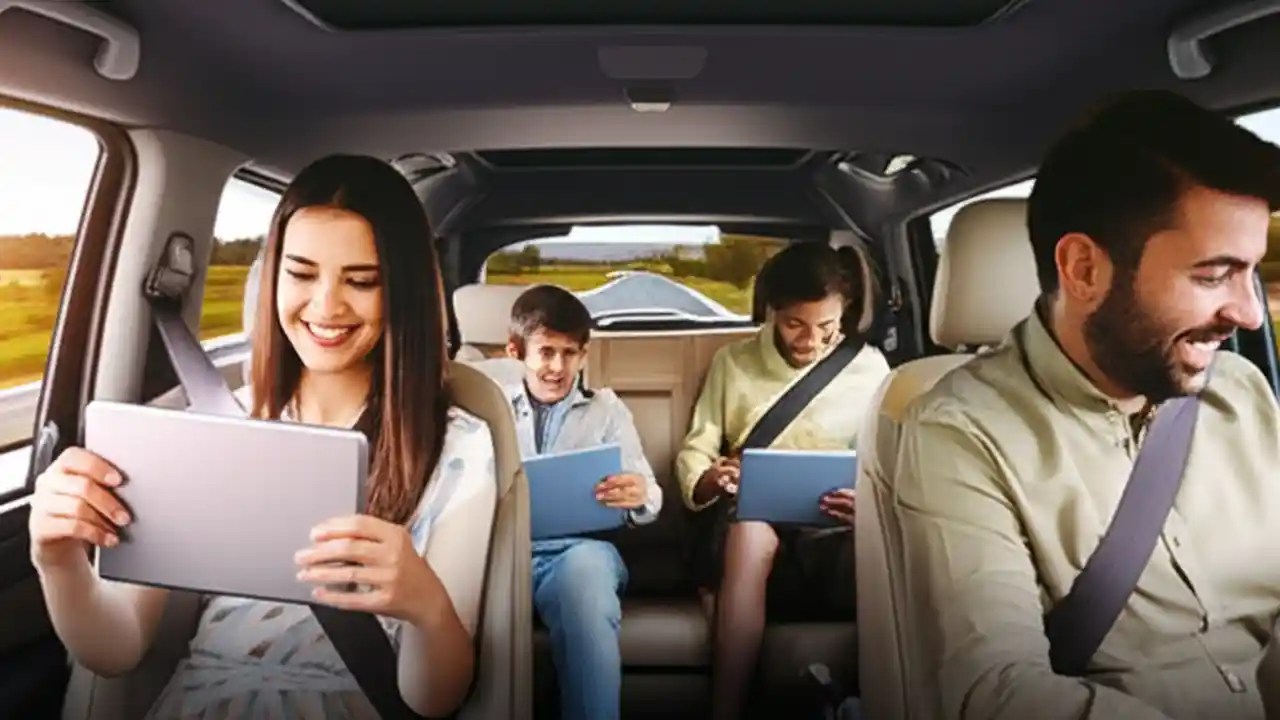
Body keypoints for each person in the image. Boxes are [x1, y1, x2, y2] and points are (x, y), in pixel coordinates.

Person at [28, 155, 498, 719]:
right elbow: (116, 647)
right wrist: (55, 560)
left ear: (404, 290)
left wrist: (424, 603)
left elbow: (433, 701)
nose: (326, 306)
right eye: (300, 273)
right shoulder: (209, 428)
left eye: (362, 280)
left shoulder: (459, 450)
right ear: (271, 276)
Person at [893, 90, 1280, 719]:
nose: (1244, 311)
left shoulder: (1242, 391)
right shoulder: (960, 431)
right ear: (1083, 268)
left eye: (1251, 273)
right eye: (1213, 275)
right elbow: (999, 694)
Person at [675, 241, 891, 720]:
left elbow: (887, 460)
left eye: (827, 328)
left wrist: (868, 500)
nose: (810, 341)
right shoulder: (734, 362)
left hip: (835, 528)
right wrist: (711, 477)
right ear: (771, 312)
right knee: (749, 533)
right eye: (795, 324)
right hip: (749, 521)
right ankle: (726, 709)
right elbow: (698, 445)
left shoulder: (872, 368)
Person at [473, 284, 661, 720]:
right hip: (497, 552)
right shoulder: (486, 403)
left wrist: (638, 495)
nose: (558, 366)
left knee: (586, 583)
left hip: (577, 552)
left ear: (584, 354)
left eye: (570, 353)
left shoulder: (607, 411)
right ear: (516, 350)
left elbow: (650, 493)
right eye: (546, 352)